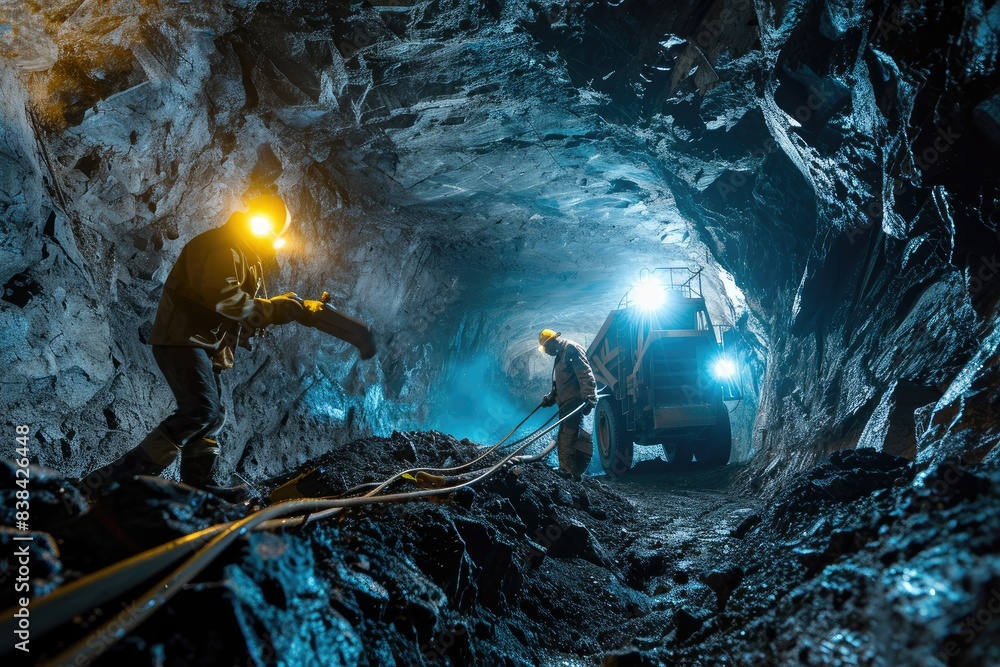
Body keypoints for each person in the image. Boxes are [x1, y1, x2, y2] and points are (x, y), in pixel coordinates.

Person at [80, 193, 323, 502]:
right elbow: (223, 298)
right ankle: (113, 480)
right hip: (183, 337)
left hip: (205, 345)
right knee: (200, 411)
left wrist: (271, 311)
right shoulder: (222, 245)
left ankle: (200, 487)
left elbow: (238, 309)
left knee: (213, 415)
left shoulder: (247, 255)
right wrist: (271, 309)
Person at [538, 329, 598, 480]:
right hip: (565, 404)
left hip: (574, 401)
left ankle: (569, 472)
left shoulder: (571, 349)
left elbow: (585, 372)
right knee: (564, 435)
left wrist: (589, 396)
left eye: (546, 348)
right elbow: (561, 384)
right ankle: (569, 471)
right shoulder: (560, 355)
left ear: (552, 342)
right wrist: (550, 398)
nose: (545, 352)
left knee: (567, 436)